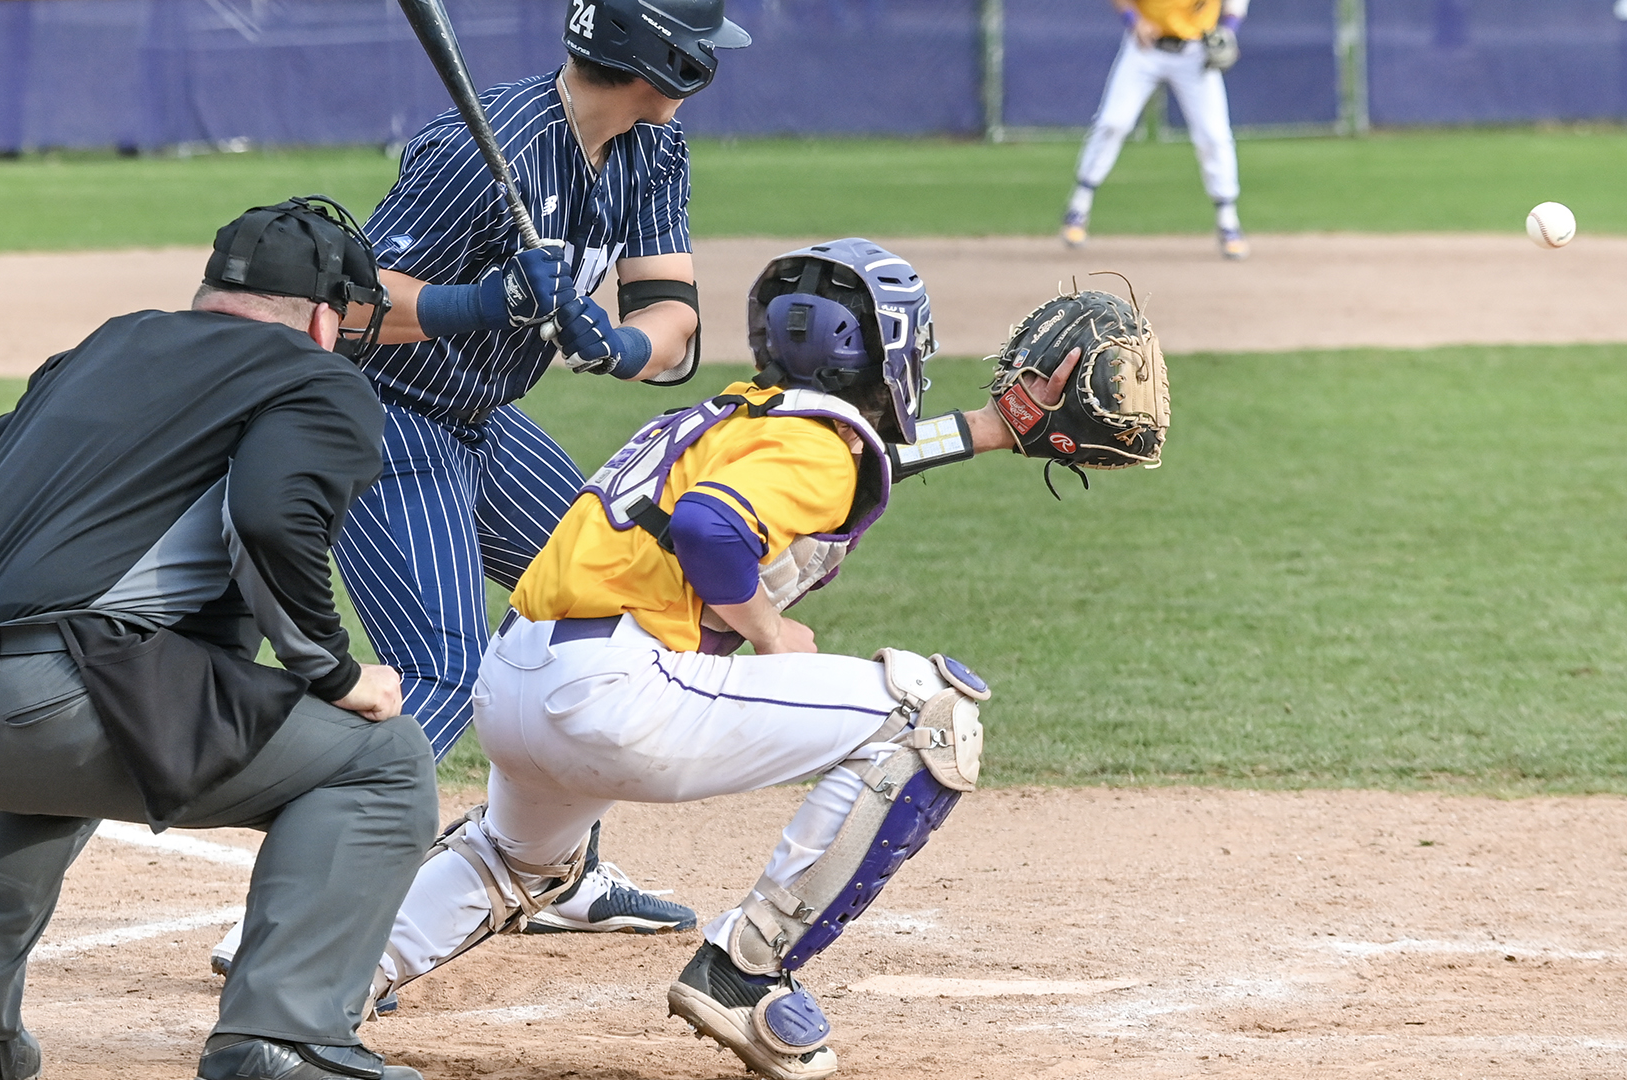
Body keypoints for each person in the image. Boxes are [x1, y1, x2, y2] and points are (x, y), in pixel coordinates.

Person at [353, 240, 1081, 1080]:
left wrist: (995, 430)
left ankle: (322, 983)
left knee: (516, 858)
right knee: (926, 720)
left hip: (519, 678)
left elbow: (851, 465)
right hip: (616, 694)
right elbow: (711, 527)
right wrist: (768, 628)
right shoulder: (813, 446)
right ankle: (747, 970)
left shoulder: (740, 416)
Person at [211, 0, 750, 971]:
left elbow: (674, 320)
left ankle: (560, 869)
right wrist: (486, 301)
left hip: (477, 418)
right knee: (442, 670)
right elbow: (345, 305)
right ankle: (297, 907)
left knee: (620, 584)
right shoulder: (485, 150)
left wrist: (619, 342)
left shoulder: (648, 149)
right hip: (379, 414)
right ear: (658, 59)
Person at [0, 197, 438, 1080]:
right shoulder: (318, 376)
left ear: (210, 291)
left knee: (63, 766)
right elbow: (269, 520)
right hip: (44, 697)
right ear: (327, 317)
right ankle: (282, 1037)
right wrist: (332, 673)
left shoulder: (107, 344)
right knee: (385, 759)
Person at [1060, 0, 1252, 260]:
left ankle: (1228, 221)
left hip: (1196, 51)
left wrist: (1229, 29)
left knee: (1214, 136)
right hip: (1145, 48)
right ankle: (1079, 206)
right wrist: (1133, 20)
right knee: (1113, 123)